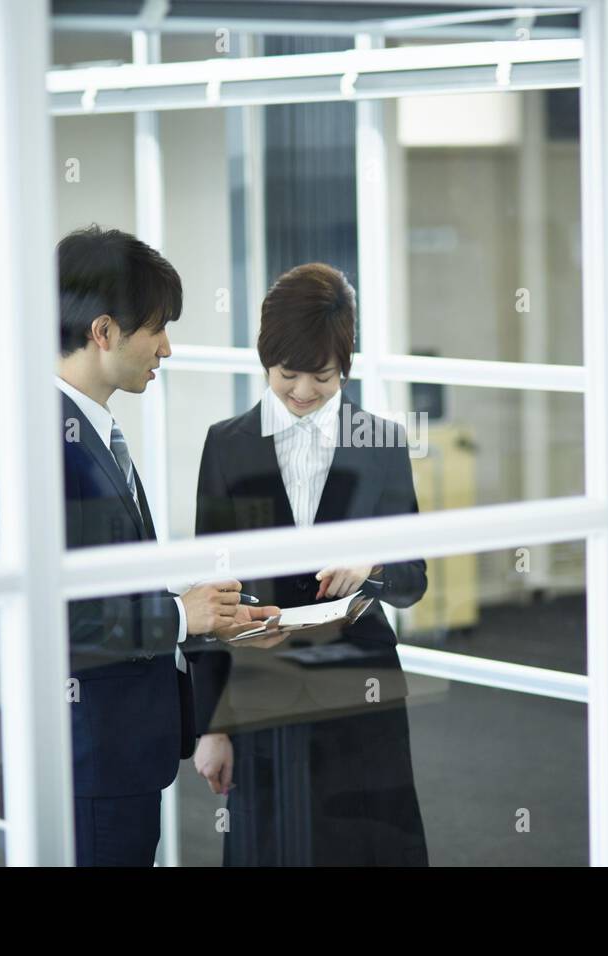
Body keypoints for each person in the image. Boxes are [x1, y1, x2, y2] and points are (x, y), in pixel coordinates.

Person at [55, 225, 283, 867]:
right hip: (92, 758)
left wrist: (222, 619)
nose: (167, 348)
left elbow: (111, 590)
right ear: (104, 333)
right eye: (156, 328)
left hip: (119, 753)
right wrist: (185, 615)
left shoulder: (89, 435)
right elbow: (64, 620)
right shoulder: (51, 446)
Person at [189, 262, 430, 866]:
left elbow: (413, 580)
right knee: (271, 847)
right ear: (264, 360)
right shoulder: (226, 443)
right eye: (285, 373)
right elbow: (210, 595)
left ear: (345, 365)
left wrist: (371, 563)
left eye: (320, 376)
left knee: (362, 848)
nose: (300, 391)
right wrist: (210, 726)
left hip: (360, 691)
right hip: (261, 690)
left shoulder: (383, 443)